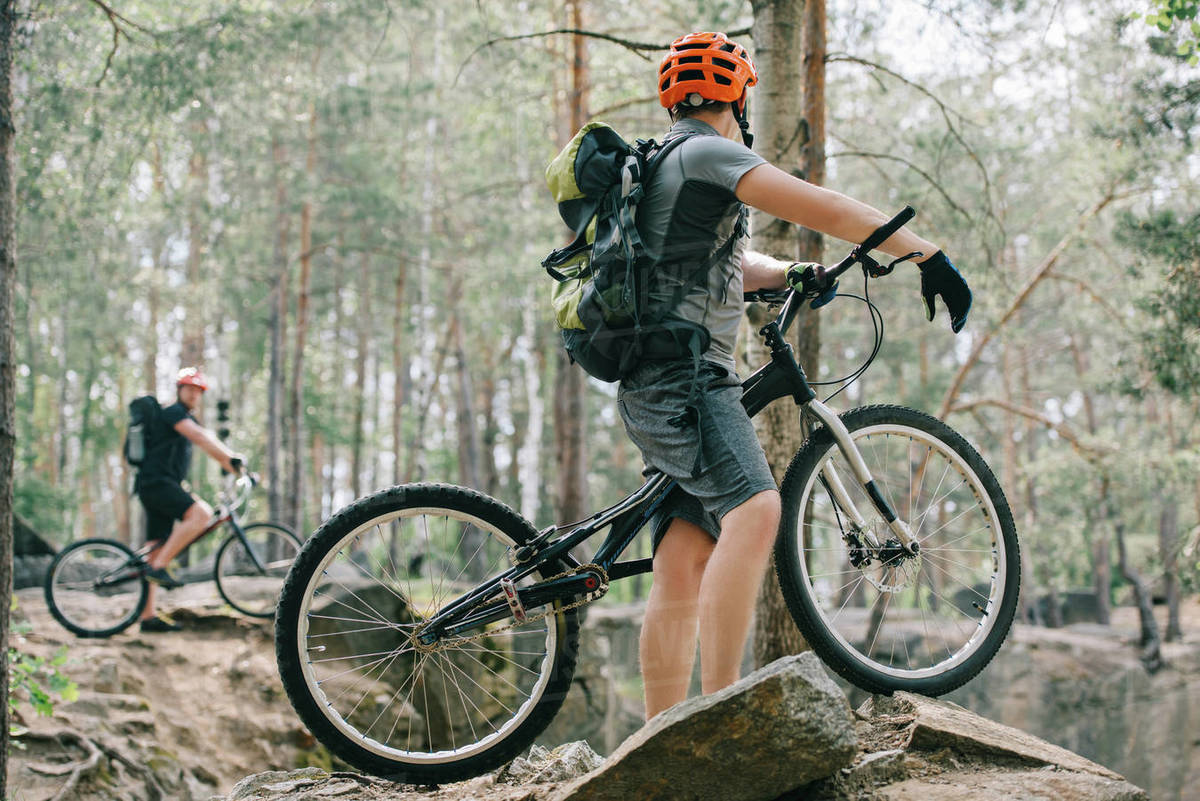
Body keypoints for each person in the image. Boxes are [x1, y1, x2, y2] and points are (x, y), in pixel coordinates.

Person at [627, 32, 972, 719]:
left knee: (683, 554)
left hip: (653, 375)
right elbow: (829, 208)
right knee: (756, 514)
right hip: (689, 376)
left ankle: (657, 743)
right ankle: (720, 720)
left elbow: (726, 265)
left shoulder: (666, 162)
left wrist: (790, 273)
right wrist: (923, 251)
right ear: (740, 94)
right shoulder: (712, 151)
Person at [135, 367, 245, 632]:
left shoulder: (181, 415)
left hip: (157, 484)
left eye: (199, 390)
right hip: (156, 483)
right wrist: (233, 462)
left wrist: (231, 466)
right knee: (201, 514)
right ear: (179, 389)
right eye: (190, 388)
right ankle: (161, 567)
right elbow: (200, 437)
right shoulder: (174, 412)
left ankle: (147, 616)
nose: (194, 394)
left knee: (155, 548)